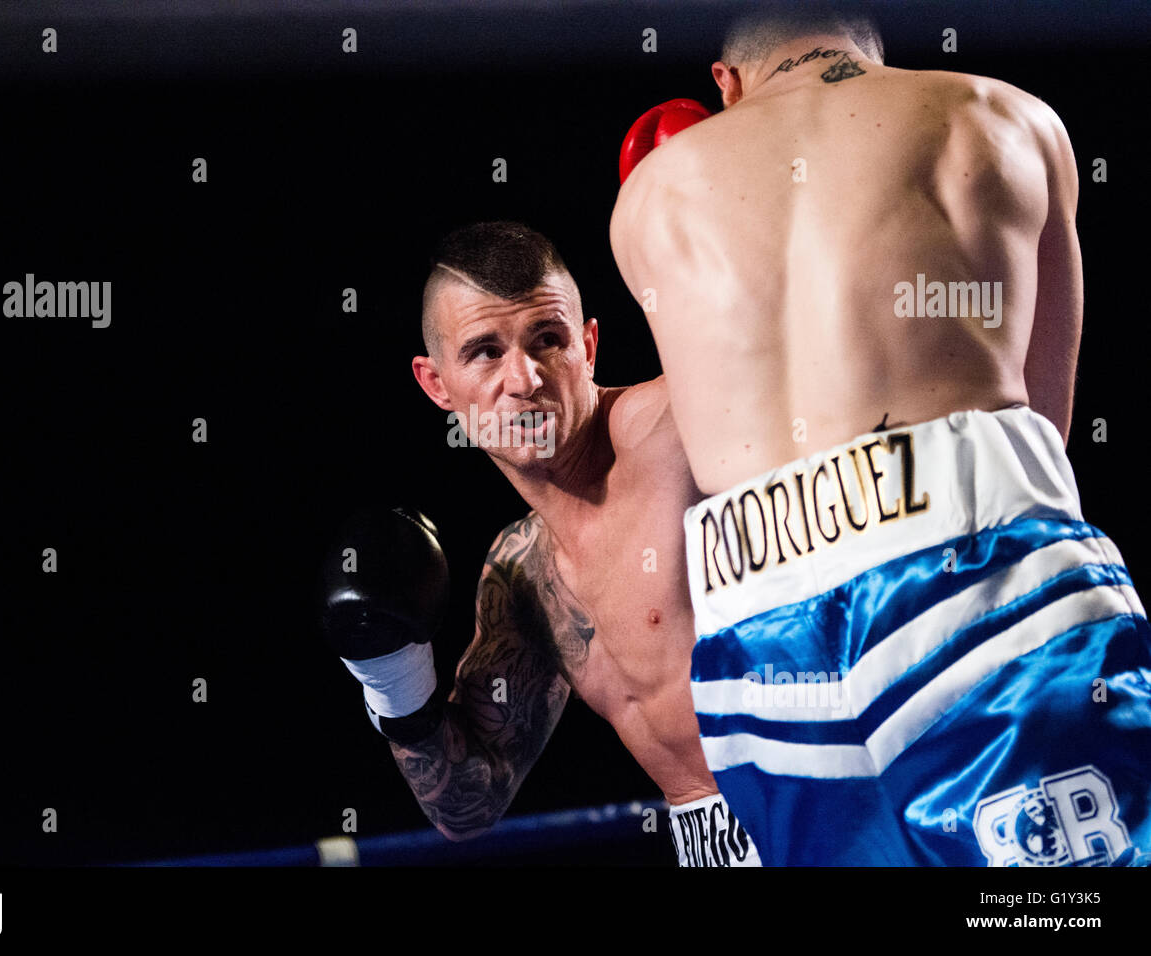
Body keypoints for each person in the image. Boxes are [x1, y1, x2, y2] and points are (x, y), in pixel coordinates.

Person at [609, 6, 1151, 865]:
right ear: (874, 39)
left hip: (761, 654)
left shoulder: (649, 199)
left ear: (725, 80)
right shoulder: (1004, 115)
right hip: (974, 578)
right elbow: (1045, 424)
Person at [322, 222, 759, 866]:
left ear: (587, 346)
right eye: (484, 352)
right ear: (436, 384)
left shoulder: (678, 433)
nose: (523, 378)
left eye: (547, 340)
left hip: (848, 803)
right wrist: (391, 676)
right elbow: (468, 804)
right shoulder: (522, 572)